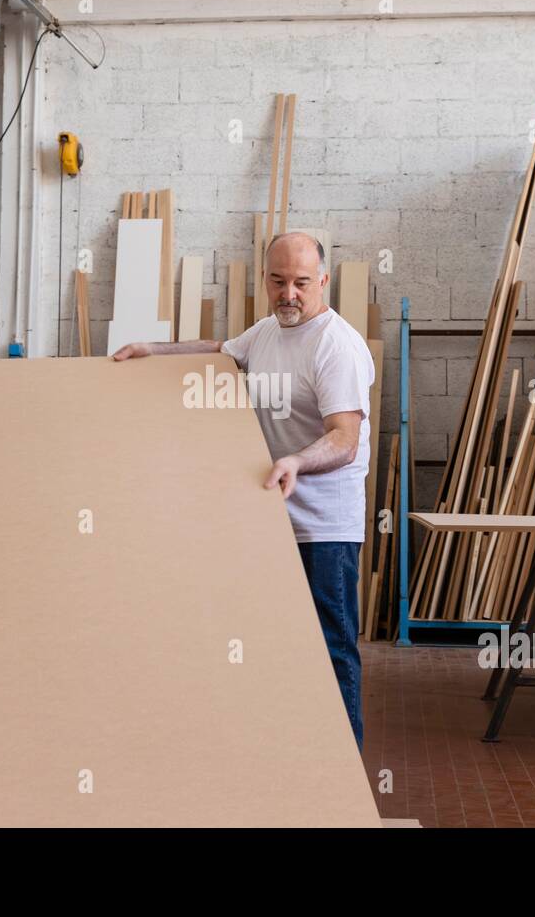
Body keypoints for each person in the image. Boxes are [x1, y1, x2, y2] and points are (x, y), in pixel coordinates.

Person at [113, 231, 374, 749]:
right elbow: (220, 349)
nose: (289, 294)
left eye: (301, 283)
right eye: (278, 281)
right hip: (269, 520)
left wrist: (297, 460)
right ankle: (290, 761)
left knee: (331, 648)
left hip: (325, 529)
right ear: (265, 280)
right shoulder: (268, 333)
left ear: (323, 281)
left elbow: (345, 440)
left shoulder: (335, 345)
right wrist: (152, 349)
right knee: (274, 647)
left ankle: (344, 783)